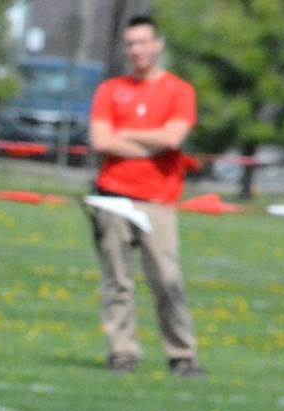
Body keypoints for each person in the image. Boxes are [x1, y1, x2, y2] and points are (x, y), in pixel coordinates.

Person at [86, 14, 205, 378]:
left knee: (168, 280)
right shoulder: (110, 90)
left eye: (143, 42)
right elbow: (100, 141)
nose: (136, 50)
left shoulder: (179, 90)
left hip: (158, 199)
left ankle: (182, 355)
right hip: (112, 195)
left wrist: (127, 138)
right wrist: (151, 142)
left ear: (157, 44)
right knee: (117, 281)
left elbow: (174, 138)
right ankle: (122, 352)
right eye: (130, 43)